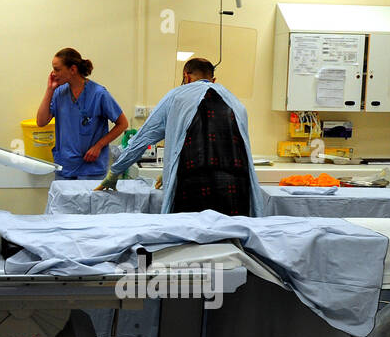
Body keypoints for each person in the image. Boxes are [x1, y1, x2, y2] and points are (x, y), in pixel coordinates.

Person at [98, 58, 260, 216]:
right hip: (237, 189)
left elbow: (142, 139)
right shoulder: (236, 103)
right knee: (231, 239)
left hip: (194, 187)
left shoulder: (176, 96)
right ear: (213, 79)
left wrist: (114, 172)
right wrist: (169, 168)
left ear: (186, 76)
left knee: (192, 239)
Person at [35, 47, 128, 179]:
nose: (53, 74)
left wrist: (99, 146)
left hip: (92, 170)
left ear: (73, 69)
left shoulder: (98, 94)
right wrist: (49, 89)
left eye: (57, 69)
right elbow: (41, 122)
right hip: (65, 169)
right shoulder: (59, 93)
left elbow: (123, 124)